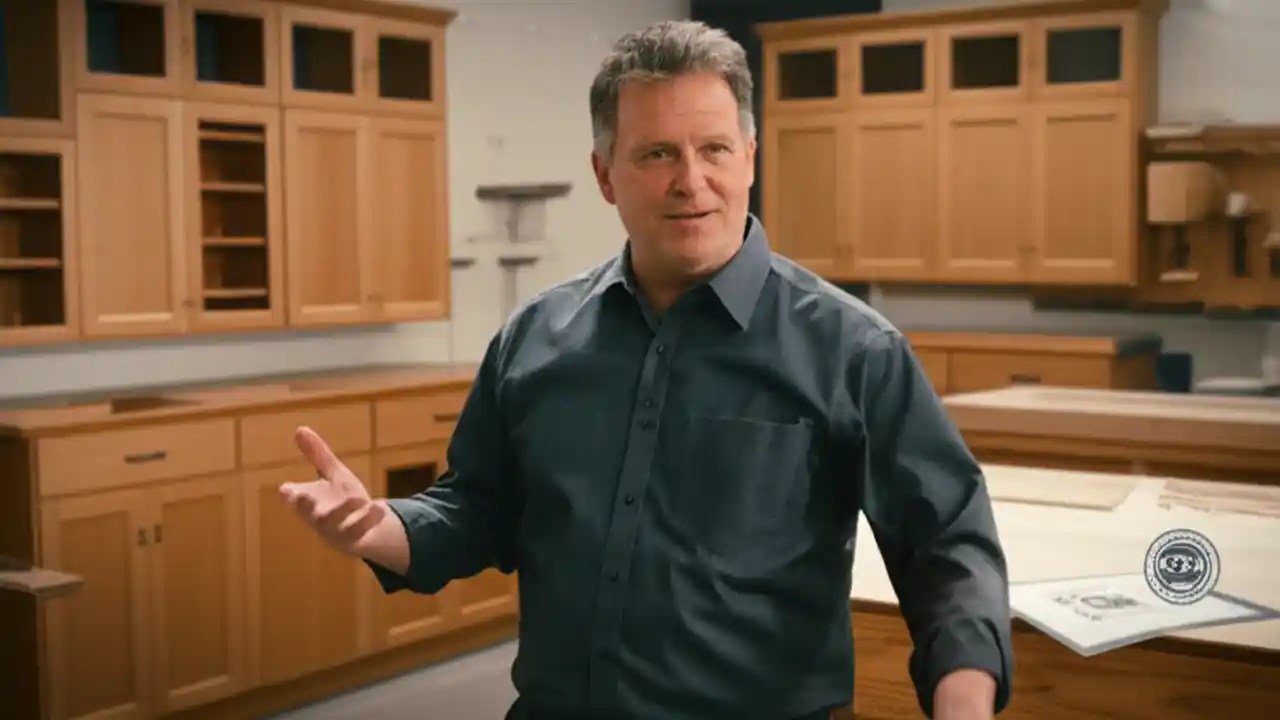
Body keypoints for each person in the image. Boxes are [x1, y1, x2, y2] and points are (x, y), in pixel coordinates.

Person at [280, 18, 1013, 720]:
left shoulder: (855, 351)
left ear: (751, 156)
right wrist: (380, 526)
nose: (690, 181)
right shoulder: (536, 338)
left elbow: (946, 543)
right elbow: (479, 509)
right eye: (657, 153)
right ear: (605, 175)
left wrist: (962, 702)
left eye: (715, 150)